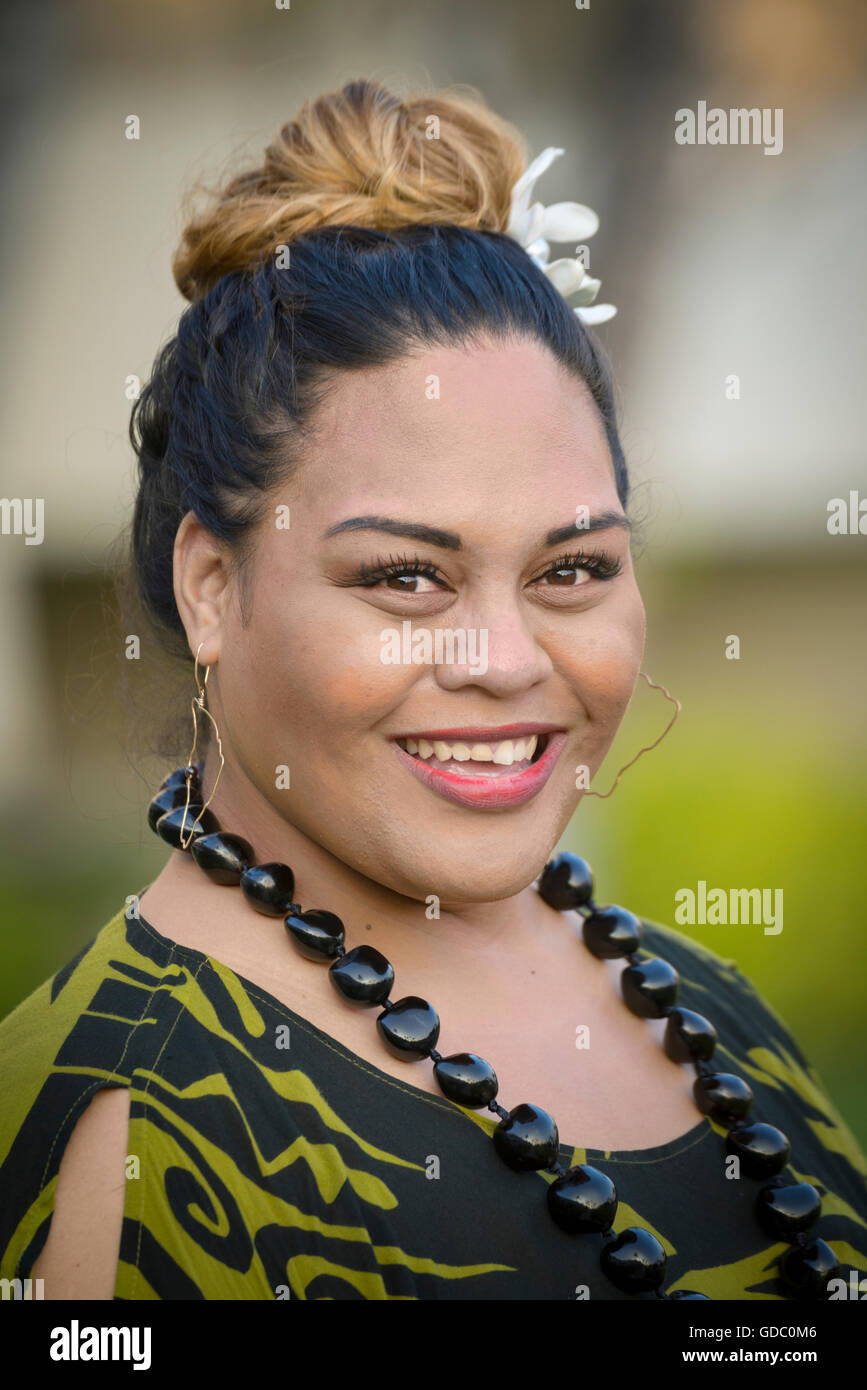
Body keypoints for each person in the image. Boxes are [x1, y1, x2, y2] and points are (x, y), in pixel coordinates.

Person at [1, 77, 865, 1303]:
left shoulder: (715, 1016)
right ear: (210, 585)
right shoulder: (129, 1129)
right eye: (407, 576)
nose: (506, 658)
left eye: (572, 568)